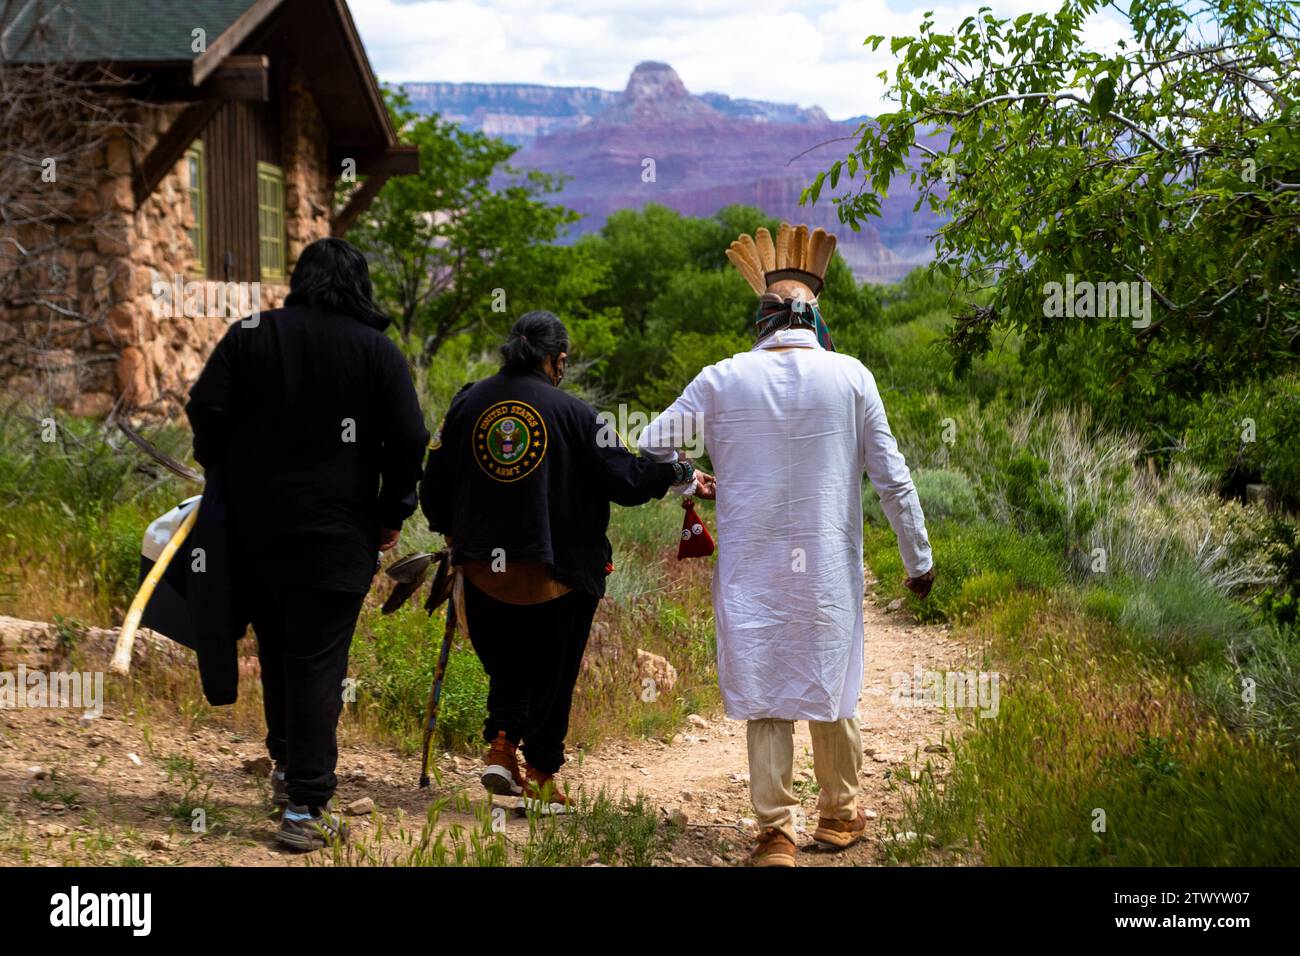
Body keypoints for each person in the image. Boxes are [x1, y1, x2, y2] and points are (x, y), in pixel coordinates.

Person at [638, 222, 935, 867]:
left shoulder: (720, 380)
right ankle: (840, 816)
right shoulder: (853, 377)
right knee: (833, 680)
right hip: (827, 568)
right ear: (814, 317)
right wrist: (919, 562)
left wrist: (693, 479)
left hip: (754, 567)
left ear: (763, 319)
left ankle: (775, 832)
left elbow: (651, 444)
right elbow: (892, 476)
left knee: (769, 685)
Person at [186, 237, 429, 851]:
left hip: (253, 532)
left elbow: (204, 408)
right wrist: (392, 511)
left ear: (300, 280)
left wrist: (226, 473)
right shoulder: (378, 353)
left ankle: (290, 770)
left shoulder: (249, 333)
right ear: (359, 287)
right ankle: (306, 806)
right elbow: (409, 439)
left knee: (277, 650)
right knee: (318, 662)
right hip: (337, 535)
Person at [420, 310, 703, 814]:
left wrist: (449, 531)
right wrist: (678, 469)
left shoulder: (467, 403)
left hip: (485, 570)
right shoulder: (575, 414)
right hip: (557, 573)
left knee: (508, 661)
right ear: (558, 360)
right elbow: (627, 481)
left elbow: (434, 476)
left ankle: (502, 748)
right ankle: (542, 776)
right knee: (553, 671)